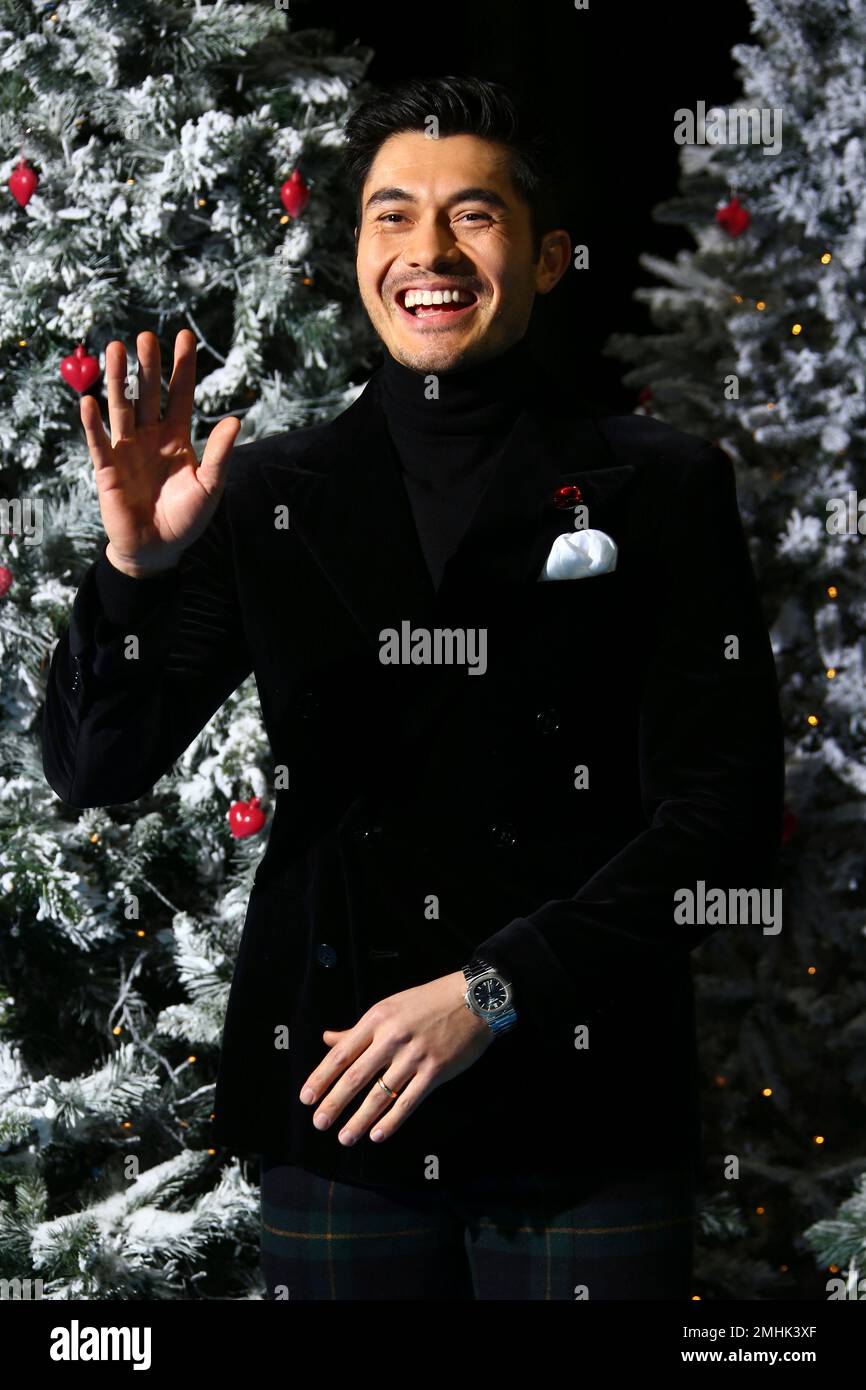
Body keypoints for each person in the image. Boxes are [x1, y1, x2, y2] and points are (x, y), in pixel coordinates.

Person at [42, 75, 785, 1300]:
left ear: (548, 257)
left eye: (471, 215)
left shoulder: (659, 486)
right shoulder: (267, 494)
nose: (427, 251)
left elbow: (722, 822)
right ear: (356, 253)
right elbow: (96, 767)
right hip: (342, 1109)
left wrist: (493, 993)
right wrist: (132, 569)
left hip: (580, 1106)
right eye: (392, 215)